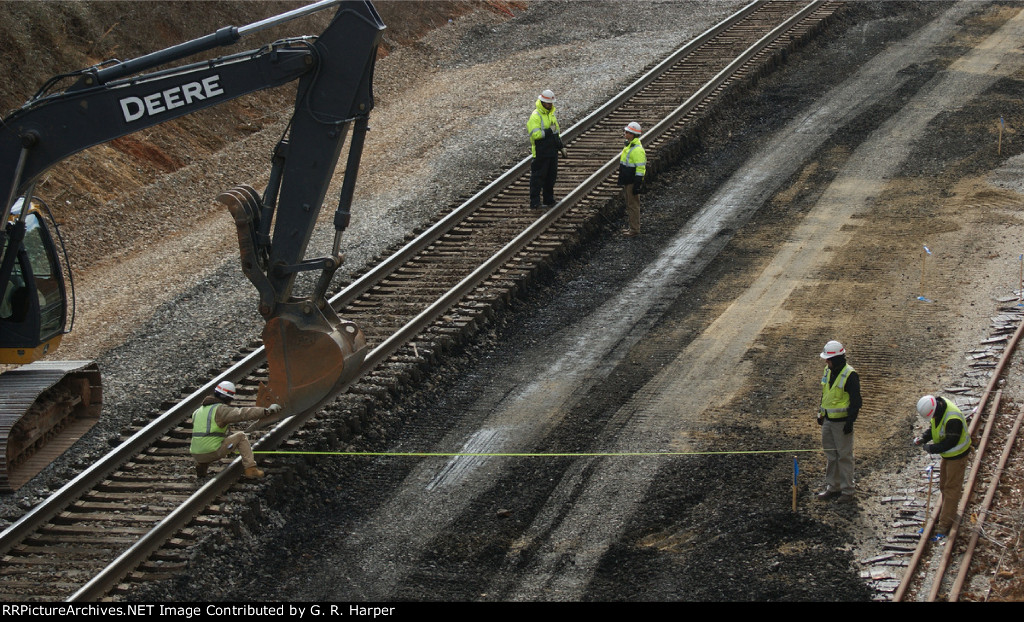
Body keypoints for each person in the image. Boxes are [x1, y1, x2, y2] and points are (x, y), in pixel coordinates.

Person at [190, 380, 282, 479]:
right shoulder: (220, 410)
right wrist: (265, 411)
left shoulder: (197, 411)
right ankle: (251, 469)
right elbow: (242, 414)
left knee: (209, 440)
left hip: (196, 453)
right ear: (228, 398)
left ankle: (202, 467)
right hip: (212, 451)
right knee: (241, 436)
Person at [914, 395, 972, 539]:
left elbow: (950, 442)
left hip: (957, 456)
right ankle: (947, 512)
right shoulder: (939, 408)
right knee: (943, 485)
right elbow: (935, 428)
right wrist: (924, 438)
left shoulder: (953, 419)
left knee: (951, 488)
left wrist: (932, 448)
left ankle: (945, 524)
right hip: (948, 456)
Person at [816, 340, 861, 503]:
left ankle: (847, 490)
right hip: (828, 420)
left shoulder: (850, 375)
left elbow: (856, 402)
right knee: (831, 455)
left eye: (828, 359)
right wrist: (821, 413)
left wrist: (850, 422)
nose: (826, 362)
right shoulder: (828, 371)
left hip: (842, 423)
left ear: (836, 359)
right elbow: (826, 394)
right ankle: (833, 487)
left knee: (844, 456)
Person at [527, 89, 567, 209]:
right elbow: (535, 135)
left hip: (552, 152)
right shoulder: (535, 116)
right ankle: (535, 203)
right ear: (542, 102)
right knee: (537, 178)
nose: (550, 105)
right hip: (541, 153)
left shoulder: (551, 115)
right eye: (548, 103)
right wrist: (549, 131)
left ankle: (549, 200)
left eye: (551, 103)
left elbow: (556, 133)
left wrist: (561, 147)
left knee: (551, 177)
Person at [617, 122, 647, 237]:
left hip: (632, 182)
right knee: (630, 204)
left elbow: (640, 168)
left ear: (633, 134)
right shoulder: (629, 146)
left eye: (627, 132)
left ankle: (634, 229)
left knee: (633, 205)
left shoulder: (637, 150)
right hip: (628, 180)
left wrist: (637, 184)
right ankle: (633, 228)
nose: (625, 133)